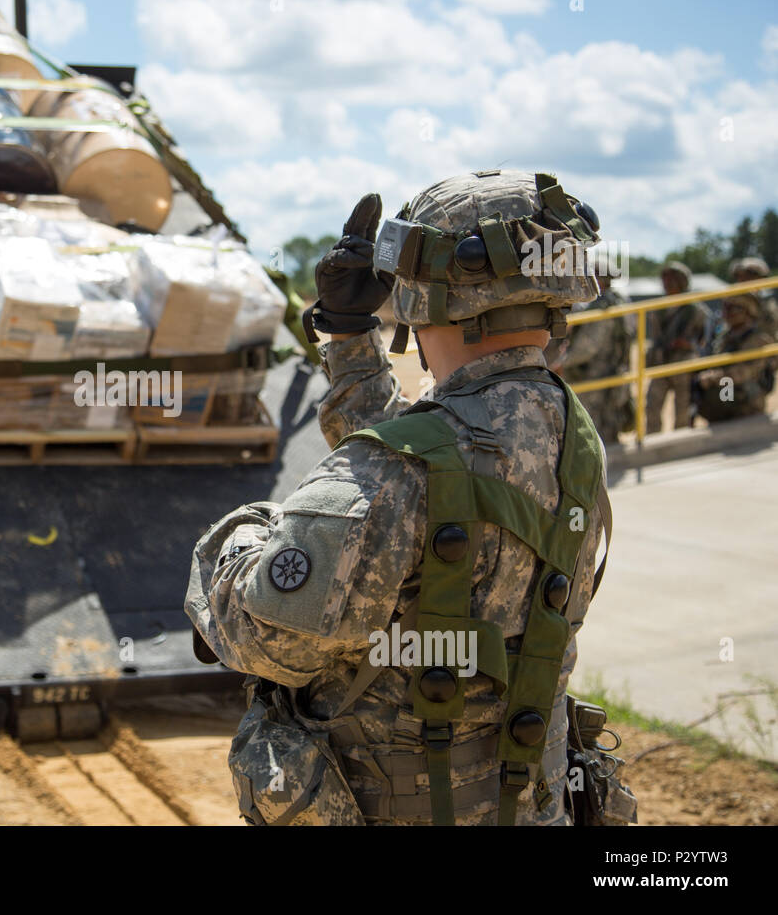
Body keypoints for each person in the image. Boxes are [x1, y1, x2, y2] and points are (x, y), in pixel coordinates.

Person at [186, 170, 634, 826]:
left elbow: (267, 643)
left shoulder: (398, 473)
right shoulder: (569, 435)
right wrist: (346, 332)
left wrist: (240, 537)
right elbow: (429, 453)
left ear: (424, 292)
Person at [545, 253, 632, 444]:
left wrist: (561, 363)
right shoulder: (619, 303)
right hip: (613, 372)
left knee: (594, 431)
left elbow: (587, 347)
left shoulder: (603, 308)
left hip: (595, 374)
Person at [645, 261, 708, 432]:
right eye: (665, 279)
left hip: (684, 364)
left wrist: (689, 345)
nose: (667, 283)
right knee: (652, 406)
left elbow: (706, 341)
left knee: (683, 409)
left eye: (672, 279)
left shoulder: (696, 310)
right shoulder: (657, 309)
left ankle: (682, 440)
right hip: (661, 362)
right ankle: (653, 440)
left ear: (682, 281)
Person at [695, 291, 776, 422]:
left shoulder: (758, 339)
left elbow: (744, 373)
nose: (727, 312)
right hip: (729, 393)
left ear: (748, 311)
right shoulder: (725, 336)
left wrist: (712, 378)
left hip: (747, 398)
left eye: (733, 307)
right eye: (725, 307)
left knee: (722, 387)